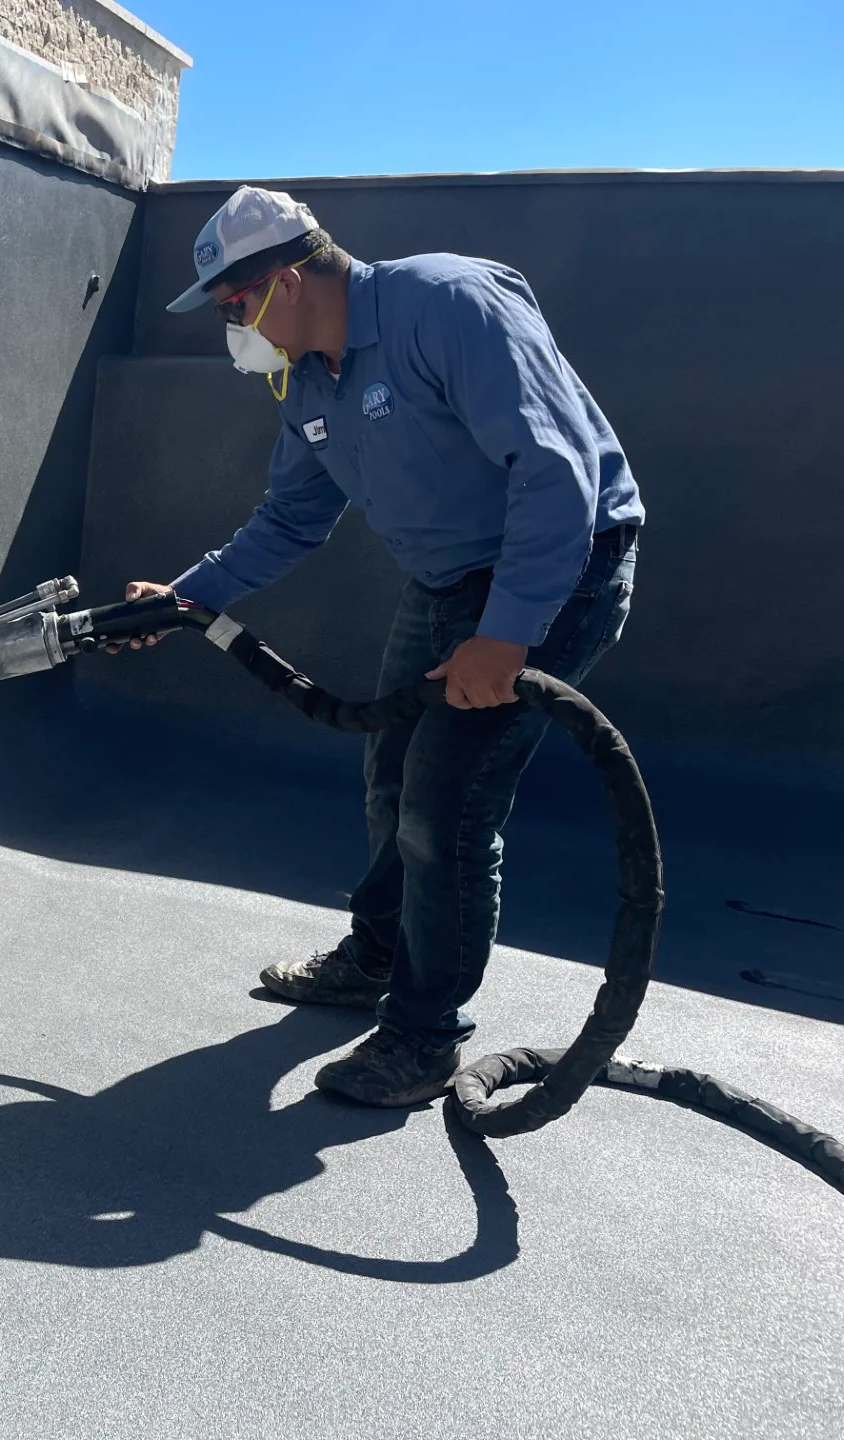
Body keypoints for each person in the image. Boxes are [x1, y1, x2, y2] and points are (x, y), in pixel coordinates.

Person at [124, 186, 644, 1107]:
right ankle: (374, 958)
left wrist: (506, 635)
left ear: (285, 282)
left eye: (234, 306)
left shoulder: (444, 304)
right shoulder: (308, 382)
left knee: (445, 811)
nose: (233, 329)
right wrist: (182, 600)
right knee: (393, 778)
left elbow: (552, 473)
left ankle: (424, 1036)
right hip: (447, 584)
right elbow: (290, 519)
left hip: (561, 569)